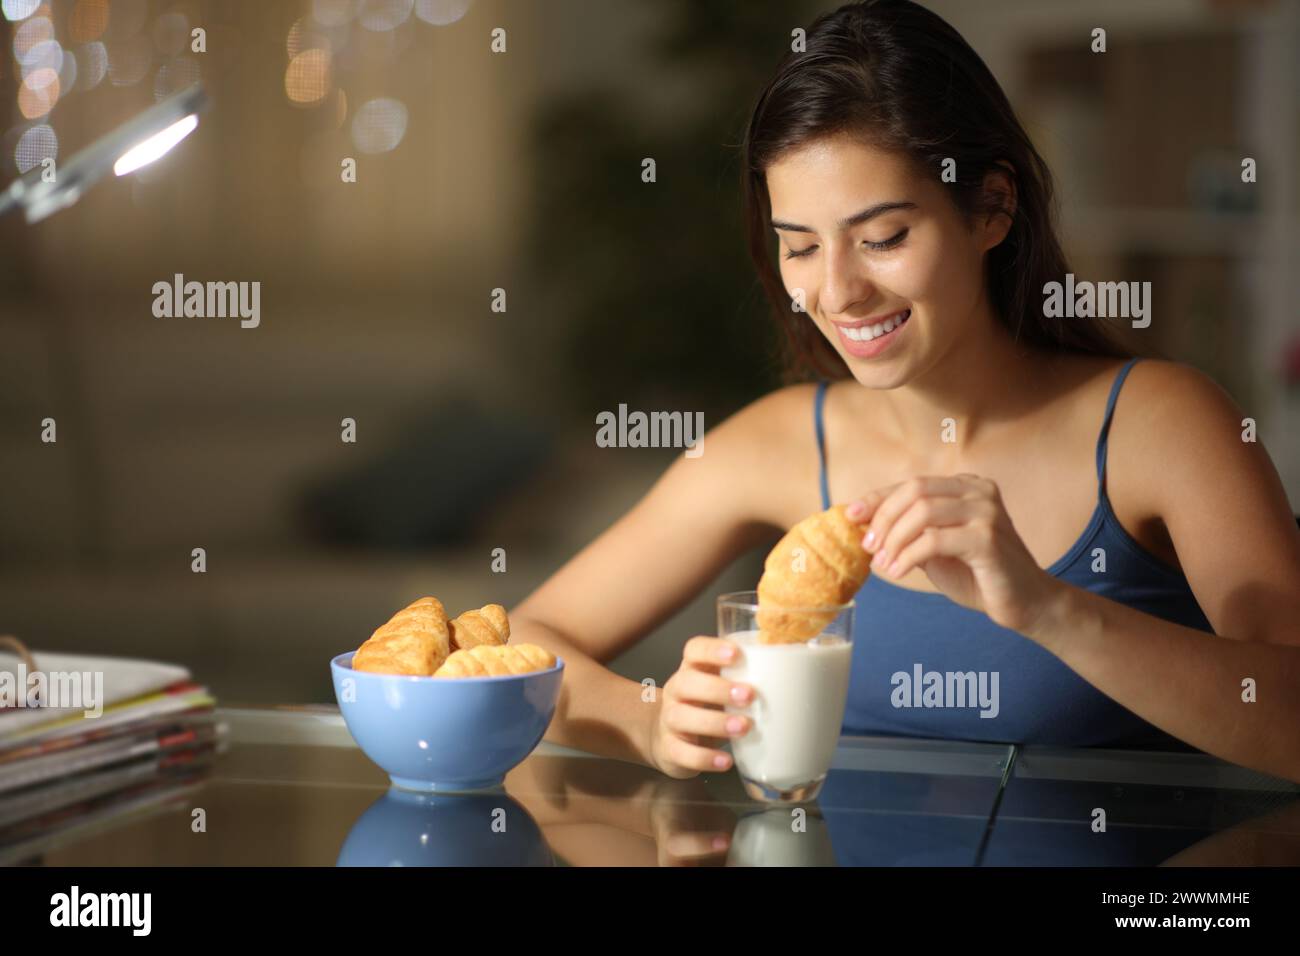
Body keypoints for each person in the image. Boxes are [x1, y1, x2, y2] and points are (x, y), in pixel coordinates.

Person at [511, 0, 1300, 783]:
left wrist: (1049, 610)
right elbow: (525, 637)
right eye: (801, 248)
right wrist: (647, 722)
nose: (838, 291)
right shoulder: (781, 442)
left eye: (883, 238)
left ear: (991, 207)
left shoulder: (1159, 423)